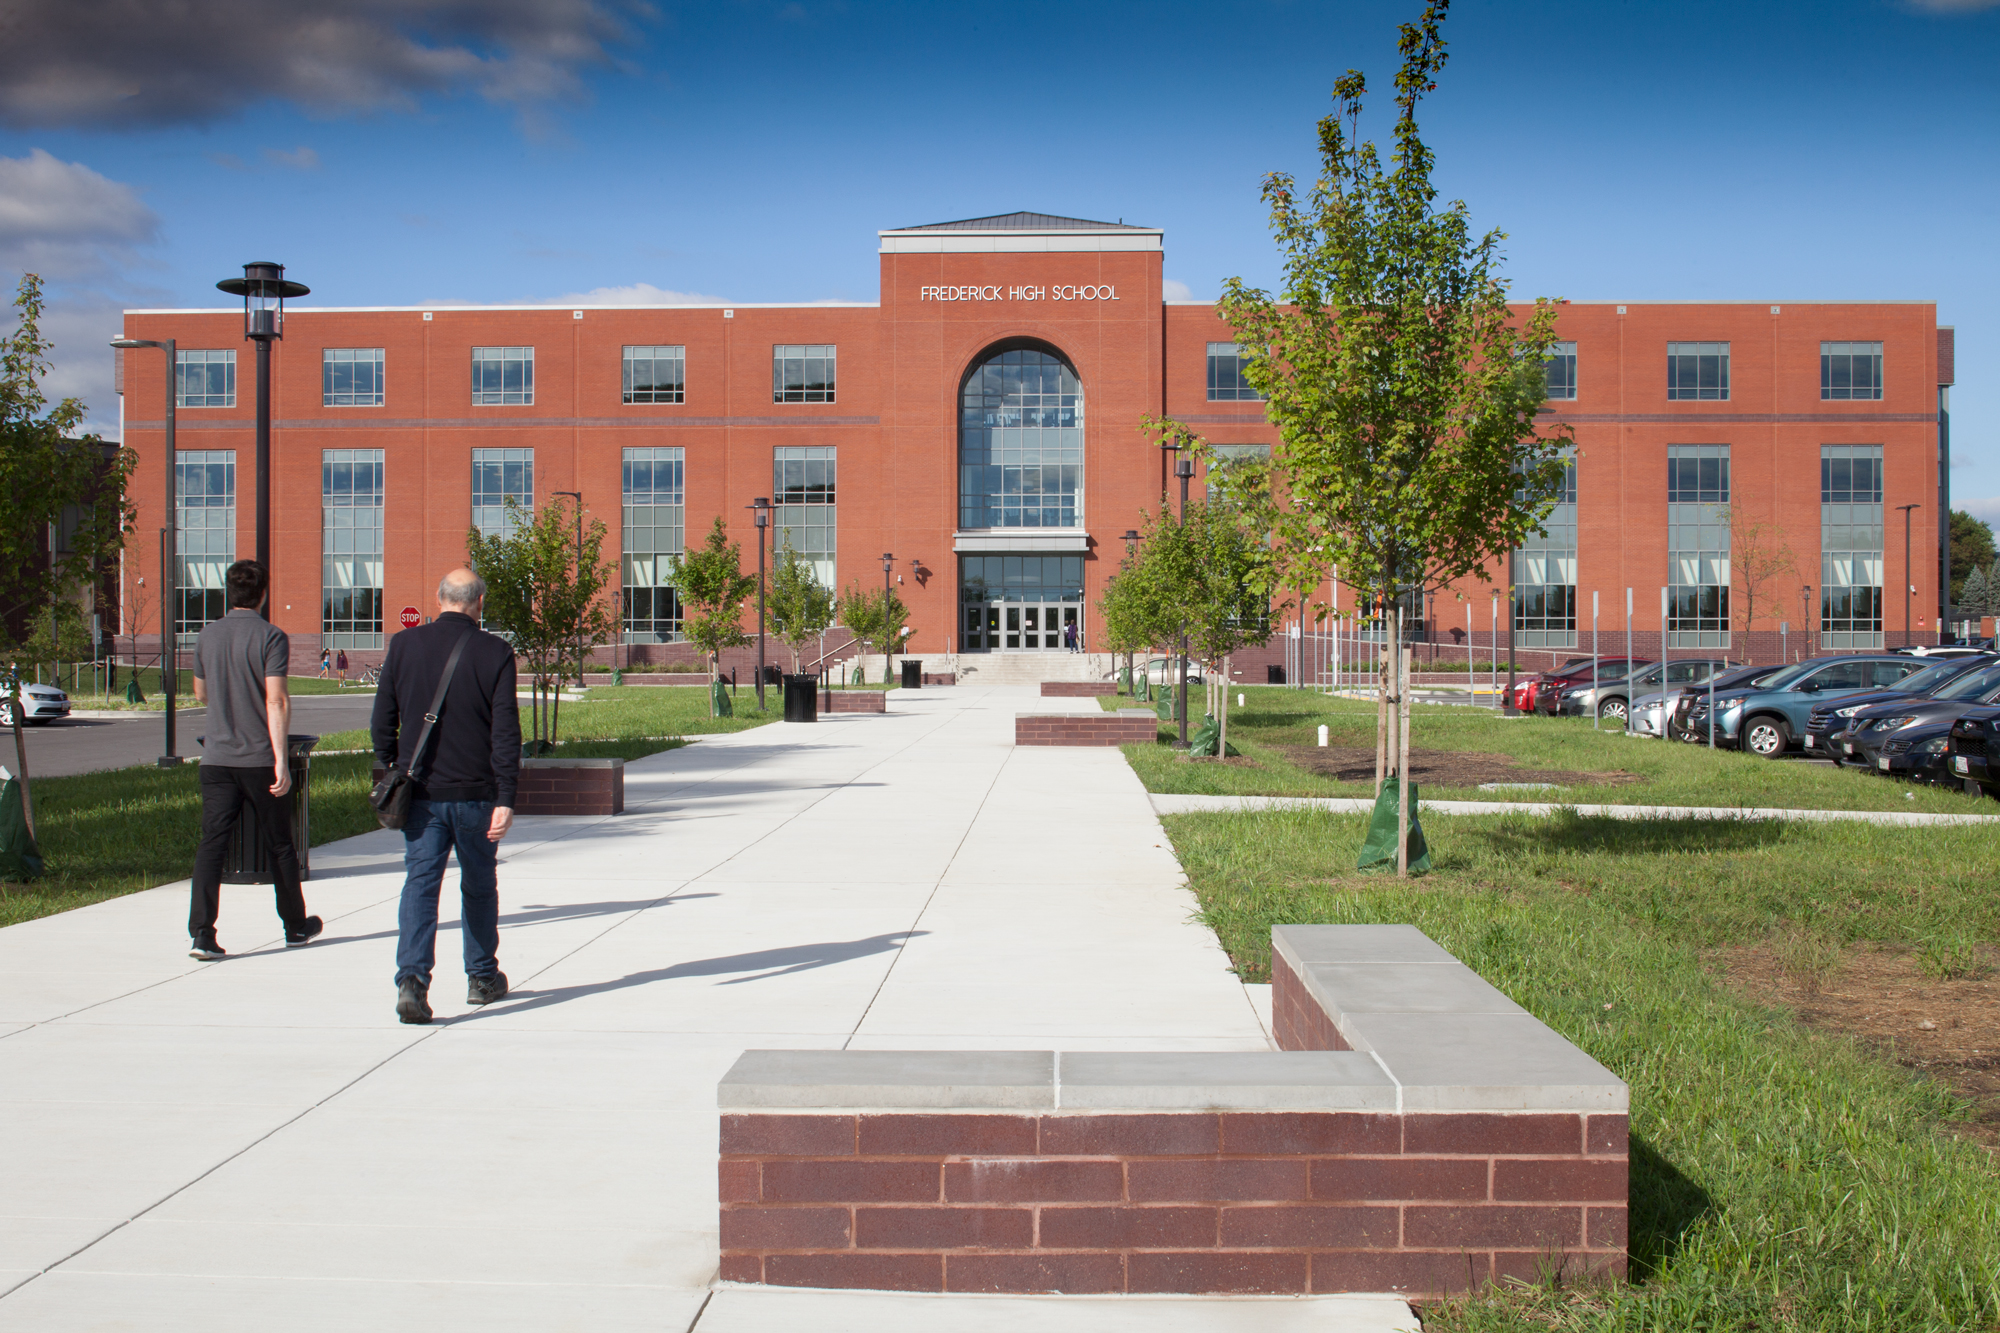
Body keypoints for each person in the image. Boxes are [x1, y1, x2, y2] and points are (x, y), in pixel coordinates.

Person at [372, 568, 521, 1024]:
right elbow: (505, 732)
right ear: (480, 603)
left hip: (420, 794)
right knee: (479, 886)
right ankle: (481, 977)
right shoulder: (496, 652)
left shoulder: (404, 645)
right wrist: (506, 796)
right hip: (477, 794)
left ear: (439, 599)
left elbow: (382, 718)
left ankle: (412, 982)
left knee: (420, 885)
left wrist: (388, 768)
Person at [187, 560, 321, 960]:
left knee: (212, 845)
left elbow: (200, 693)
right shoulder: (270, 636)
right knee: (280, 845)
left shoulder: (207, 636)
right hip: (258, 759)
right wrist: (281, 760)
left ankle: (202, 935)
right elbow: (275, 699)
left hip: (216, 759)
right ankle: (295, 927)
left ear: (228, 592)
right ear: (263, 594)